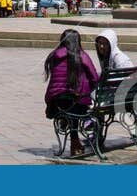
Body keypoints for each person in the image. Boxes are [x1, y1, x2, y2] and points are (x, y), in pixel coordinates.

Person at [43, 28, 101, 157]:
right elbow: (94, 78)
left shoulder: (54, 55)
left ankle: (68, 127)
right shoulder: (82, 56)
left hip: (56, 103)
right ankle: (75, 142)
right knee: (76, 103)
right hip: (77, 103)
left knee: (69, 104)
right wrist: (87, 89)